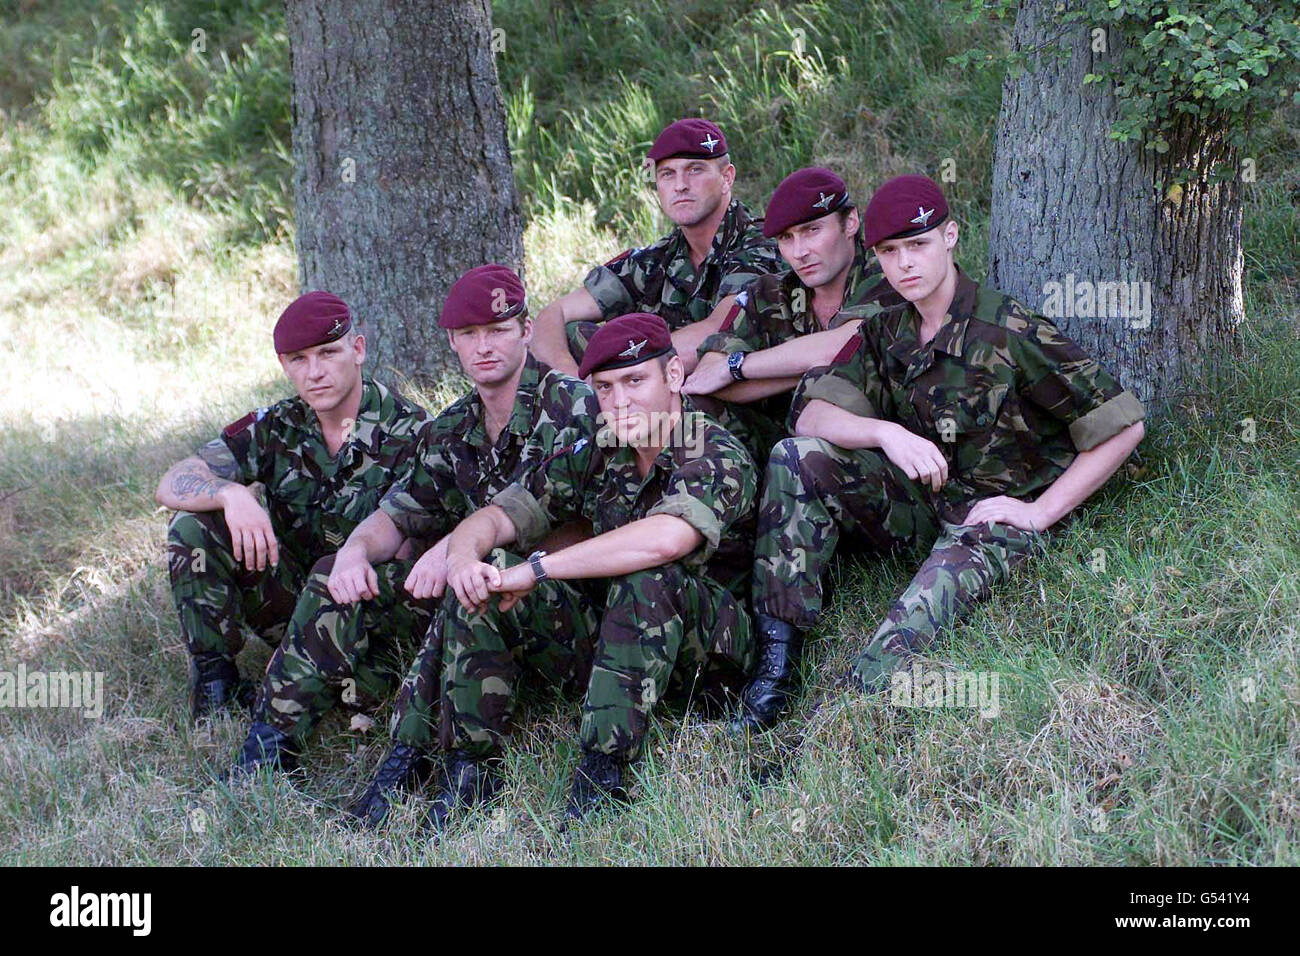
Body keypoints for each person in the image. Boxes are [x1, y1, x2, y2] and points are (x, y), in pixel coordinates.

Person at [734, 174, 1147, 731]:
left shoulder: (1005, 329)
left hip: (987, 519)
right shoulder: (886, 327)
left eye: (918, 244)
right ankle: (775, 666)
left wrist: (1038, 513)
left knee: (886, 657)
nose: (905, 264)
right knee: (795, 456)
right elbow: (812, 415)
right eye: (889, 251)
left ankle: (837, 733)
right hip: (923, 500)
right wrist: (885, 433)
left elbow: (1122, 425)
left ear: (950, 236)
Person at [219, 266, 599, 817]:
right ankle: (270, 744)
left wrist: (460, 551)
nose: (483, 346)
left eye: (496, 330)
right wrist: (353, 551)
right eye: (468, 335)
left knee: (482, 572)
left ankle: (458, 769)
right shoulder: (453, 429)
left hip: (562, 613)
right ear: (451, 343)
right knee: (333, 571)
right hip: (470, 611)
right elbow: (395, 514)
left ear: (523, 330)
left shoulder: (572, 407)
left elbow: (593, 526)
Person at [429, 312, 758, 830]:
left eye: (635, 381)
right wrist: (462, 560)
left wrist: (539, 570)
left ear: (673, 376)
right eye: (605, 388)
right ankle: (470, 769)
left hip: (710, 650)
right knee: (489, 576)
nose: (620, 401)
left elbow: (664, 540)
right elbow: (497, 515)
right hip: (619, 642)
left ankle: (602, 774)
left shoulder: (710, 448)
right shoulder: (599, 450)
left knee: (647, 576)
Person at [156, 292, 432, 722]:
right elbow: (174, 480)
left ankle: (325, 680)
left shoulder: (414, 431)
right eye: (299, 360)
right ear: (284, 366)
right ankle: (216, 681)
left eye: (328, 353)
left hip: (365, 613)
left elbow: (415, 557)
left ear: (357, 349)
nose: (316, 372)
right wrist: (232, 495)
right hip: (291, 596)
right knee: (192, 524)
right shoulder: (277, 425)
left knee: (348, 702)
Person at [530, 118, 783, 377]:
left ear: (727, 178)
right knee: (573, 333)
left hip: (737, 402)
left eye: (695, 170)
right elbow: (553, 314)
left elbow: (719, 328)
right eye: (667, 174)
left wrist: (621, 375)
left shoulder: (760, 246)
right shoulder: (657, 258)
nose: (680, 185)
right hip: (659, 388)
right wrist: (575, 383)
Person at [682, 166, 898, 460]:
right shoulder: (771, 293)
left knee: (803, 451)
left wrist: (738, 368)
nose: (800, 252)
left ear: (850, 224)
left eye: (812, 231)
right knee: (694, 405)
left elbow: (843, 345)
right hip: (777, 439)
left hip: (860, 454)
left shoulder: (885, 277)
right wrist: (800, 368)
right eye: (786, 238)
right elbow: (709, 374)